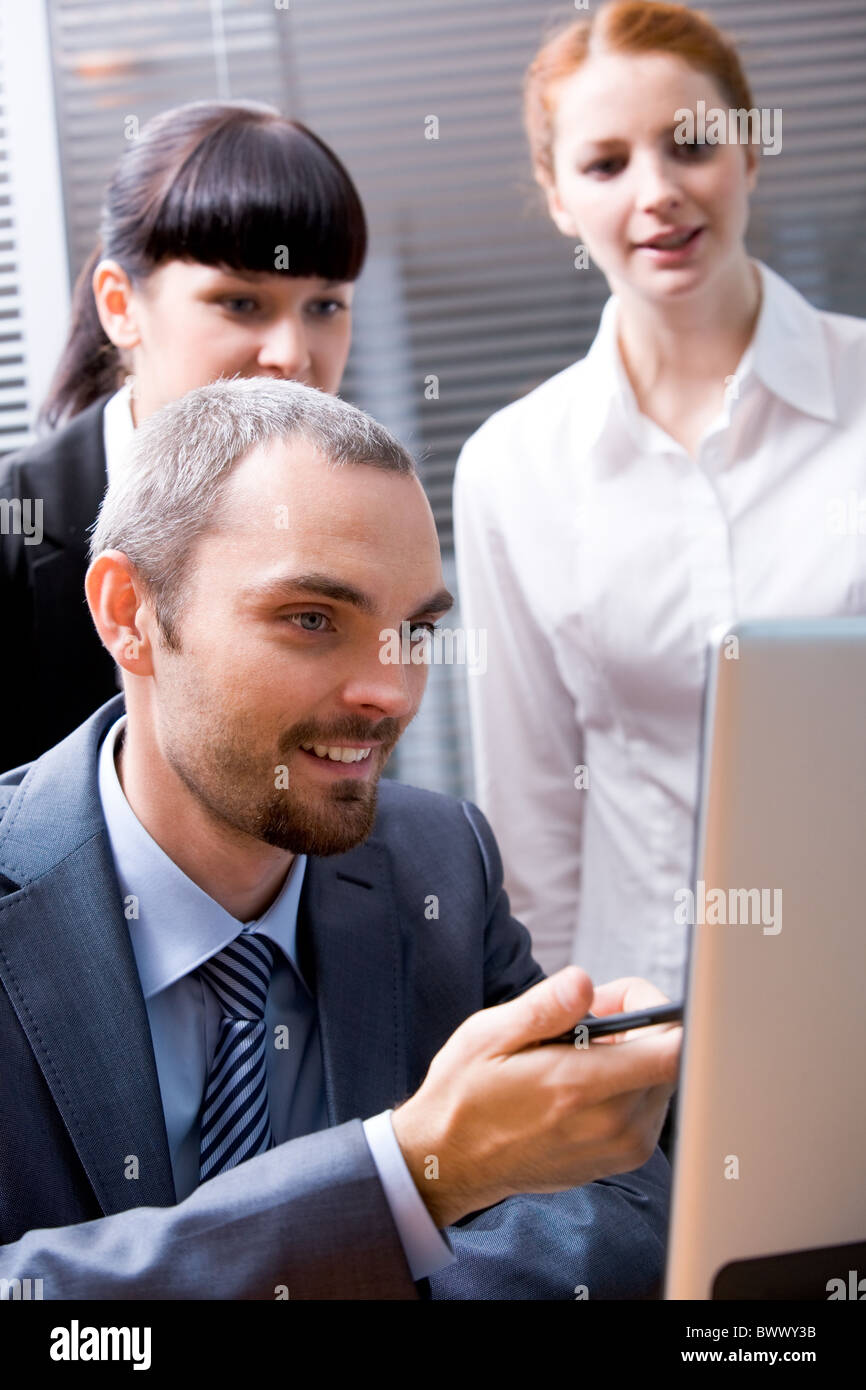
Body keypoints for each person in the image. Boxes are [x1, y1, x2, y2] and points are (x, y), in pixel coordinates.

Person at [0, 378, 679, 1300]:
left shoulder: (441, 862)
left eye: (416, 631)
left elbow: (614, 1197)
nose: (392, 693)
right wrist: (407, 1179)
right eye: (314, 619)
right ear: (130, 613)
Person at [453, 0, 866, 999]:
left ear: (748, 153)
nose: (658, 194)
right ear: (557, 197)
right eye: (604, 164)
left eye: (690, 145)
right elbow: (532, 807)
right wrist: (562, 1038)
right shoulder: (512, 468)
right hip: (645, 1022)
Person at [0, 99, 365, 772]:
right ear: (120, 305)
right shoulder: (15, 533)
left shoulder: (348, 529)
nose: (292, 352)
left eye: (325, 305)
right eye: (241, 302)